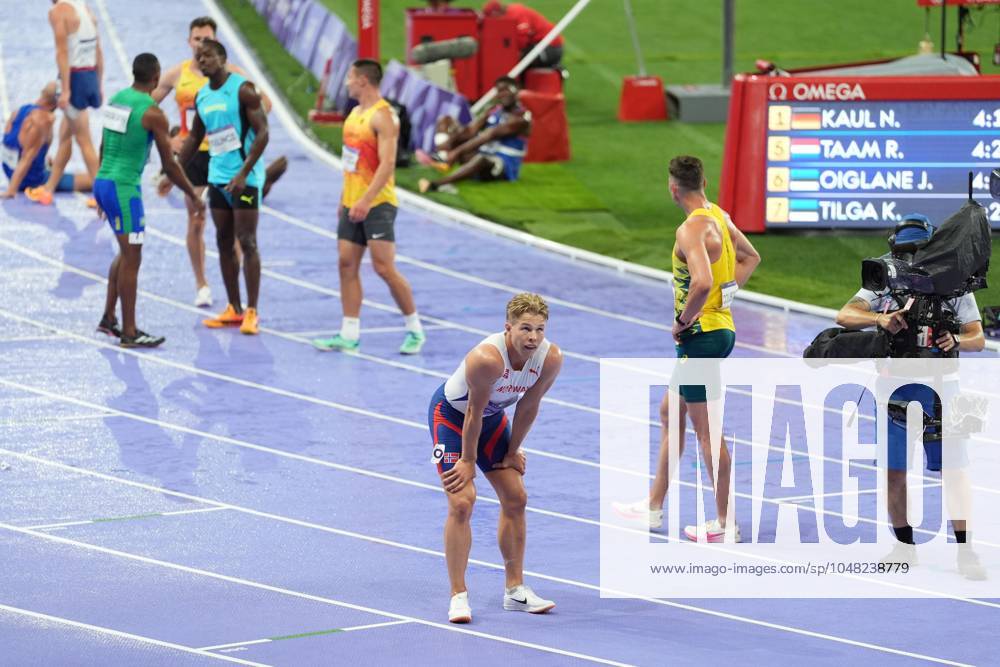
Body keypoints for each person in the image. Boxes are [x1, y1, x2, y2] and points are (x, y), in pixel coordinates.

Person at [614, 155, 760, 543]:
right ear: (704, 182)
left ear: (672, 188)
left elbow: (700, 282)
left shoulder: (690, 231)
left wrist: (683, 322)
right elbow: (750, 257)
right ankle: (653, 506)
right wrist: (724, 299)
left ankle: (725, 522)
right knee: (670, 412)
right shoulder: (720, 216)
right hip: (718, 330)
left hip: (702, 336)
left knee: (706, 431)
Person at [834, 214, 986, 580]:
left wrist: (954, 342)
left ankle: (966, 552)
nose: (911, 260)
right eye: (906, 253)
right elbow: (844, 314)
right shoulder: (884, 281)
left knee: (954, 471)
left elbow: (977, 338)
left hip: (944, 387)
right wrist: (880, 321)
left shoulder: (955, 284)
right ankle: (904, 546)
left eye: (916, 252)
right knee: (895, 473)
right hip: (894, 387)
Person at [430, 293, 562, 623]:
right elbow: (472, 412)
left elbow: (528, 407)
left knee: (516, 497)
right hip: (451, 418)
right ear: (508, 328)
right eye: (525, 329)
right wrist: (467, 461)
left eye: (540, 330)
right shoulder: (487, 358)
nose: (533, 337)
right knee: (462, 502)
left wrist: (512, 451)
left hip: (490, 420)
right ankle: (458, 595)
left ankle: (515, 591)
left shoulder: (550, 359)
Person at [152, 16, 288, 307]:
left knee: (237, 231)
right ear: (189, 41)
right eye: (197, 40)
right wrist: (168, 140)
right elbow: (148, 108)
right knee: (196, 219)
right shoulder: (178, 75)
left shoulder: (235, 76)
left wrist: (243, 130)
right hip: (195, 155)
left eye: (207, 39)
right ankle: (202, 284)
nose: (201, 45)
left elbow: (266, 108)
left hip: (227, 154)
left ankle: (242, 298)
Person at [312, 60, 426, 355]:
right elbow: (351, 162)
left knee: (384, 268)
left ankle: (415, 329)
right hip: (352, 202)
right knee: (346, 264)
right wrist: (345, 198)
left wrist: (365, 200)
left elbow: (387, 164)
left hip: (378, 204)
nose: (347, 82)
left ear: (363, 80)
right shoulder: (353, 114)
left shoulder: (383, 116)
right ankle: (349, 333)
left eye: (350, 77)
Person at [94, 53, 205, 348]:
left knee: (124, 250)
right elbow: (169, 165)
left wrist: (101, 195)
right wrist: (193, 193)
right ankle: (129, 332)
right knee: (133, 257)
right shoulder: (153, 112)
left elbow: (103, 144)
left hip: (104, 181)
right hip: (125, 189)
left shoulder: (118, 98)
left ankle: (109, 318)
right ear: (156, 78)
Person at [177, 40, 269, 336]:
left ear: (223, 59)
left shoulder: (243, 90)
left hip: (245, 178)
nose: (202, 61)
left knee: (247, 241)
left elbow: (263, 133)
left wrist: (244, 172)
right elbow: (194, 138)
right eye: (198, 57)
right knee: (223, 240)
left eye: (208, 56)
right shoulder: (202, 96)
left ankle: (252, 311)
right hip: (218, 177)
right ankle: (233, 307)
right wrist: (174, 169)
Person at [26, 0, 102, 206]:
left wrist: (66, 90)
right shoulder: (85, 8)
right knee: (65, 136)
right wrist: (99, 83)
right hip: (89, 76)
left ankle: (101, 194)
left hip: (74, 80)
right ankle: (49, 189)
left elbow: (62, 53)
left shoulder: (58, 12)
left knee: (83, 140)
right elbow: (98, 50)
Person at [417, 76, 530, 194]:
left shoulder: (521, 118)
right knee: (446, 120)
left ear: (516, 90)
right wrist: (448, 143)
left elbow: (489, 135)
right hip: (482, 156)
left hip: (503, 166)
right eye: (499, 91)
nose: (502, 94)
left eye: (506, 90)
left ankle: (437, 184)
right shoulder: (494, 110)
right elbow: (470, 131)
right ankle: (441, 157)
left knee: (481, 159)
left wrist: (456, 153)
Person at [2, 82, 92, 199]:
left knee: (51, 161)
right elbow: (26, 158)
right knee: (92, 180)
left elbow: (12, 144)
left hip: (9, 172)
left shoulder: (19, 111)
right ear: (59, 103)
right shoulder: (43, 120)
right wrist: (11, 190)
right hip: (30, 180)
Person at [481, 1, 563, 69]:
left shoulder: (516, 14)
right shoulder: (508, 15)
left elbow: (522, 38)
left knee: (517, 61)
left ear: (496, 13)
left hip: (550, 47)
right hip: (540, 44)